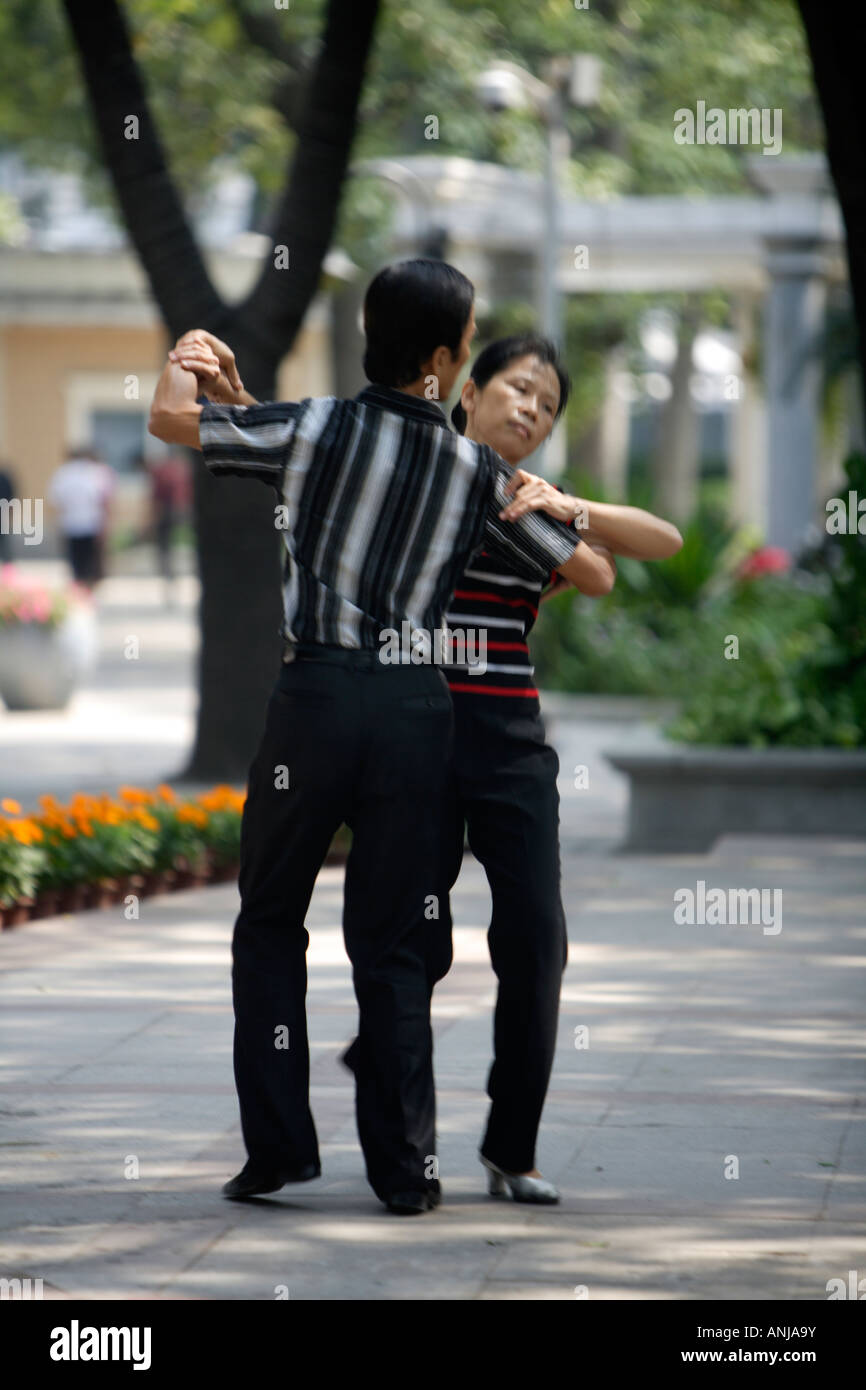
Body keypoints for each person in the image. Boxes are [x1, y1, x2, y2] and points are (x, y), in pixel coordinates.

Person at [147, 260, 616, 1216]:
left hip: (313, 701)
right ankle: (407, 1172)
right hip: (417, 711)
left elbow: (172, 422)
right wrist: (566, 509)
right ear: (445, 363)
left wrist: (184, 360)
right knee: (395, 945)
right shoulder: (478, 470)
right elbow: (580, 564)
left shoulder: (315, 424)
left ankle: (279, 1150)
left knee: (271, 920)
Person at [428, 335, 682, 1202]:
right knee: (405, 947)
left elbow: (663, 541)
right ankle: (402, 1137)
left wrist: (566, 503)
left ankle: (513, 1147)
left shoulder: (536, 510)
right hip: (414, 738)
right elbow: (602, 578)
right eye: (517, 388)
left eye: (547, 403)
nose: (531, 408)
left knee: (537, 942)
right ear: (470, 390)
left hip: (510, 746)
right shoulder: (422, 475)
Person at [48, 446, 114, 589]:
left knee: (75, 561)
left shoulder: (62, 474)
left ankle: (78, 587)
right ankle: (88, 589)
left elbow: (56, 501)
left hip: (70, 524)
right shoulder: (93, 473)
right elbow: (103, 500)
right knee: (90, 560)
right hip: (91, 523)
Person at [145, 451, 192, 601]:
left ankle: (169, 580)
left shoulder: (160, 471)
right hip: (184, 510)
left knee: (165, 549)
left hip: (168, 511)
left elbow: (156, 496)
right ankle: (174, 580)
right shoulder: (185, 470)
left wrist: (152, 518)